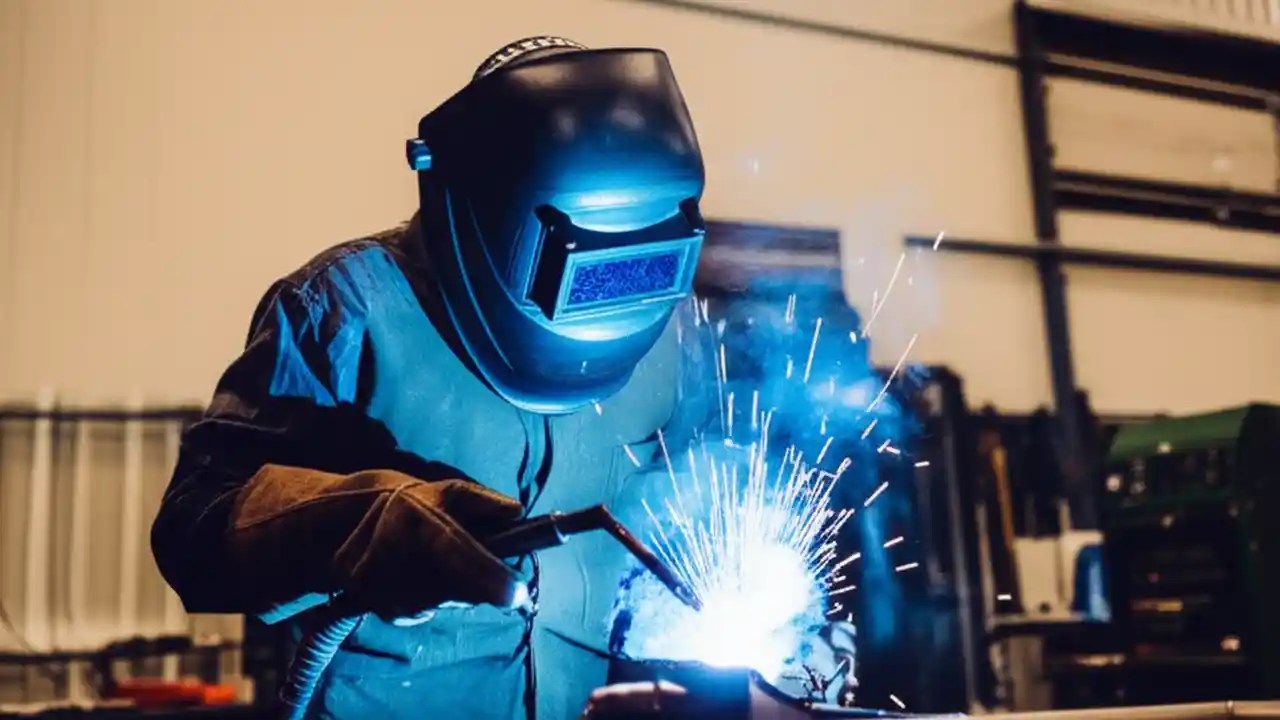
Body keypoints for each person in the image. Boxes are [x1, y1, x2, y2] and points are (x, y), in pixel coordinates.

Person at [150, 36, 707, 720]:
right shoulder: (346, 313)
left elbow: (685, 513)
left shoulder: (663, 334)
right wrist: (355, 520)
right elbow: (191, 533)